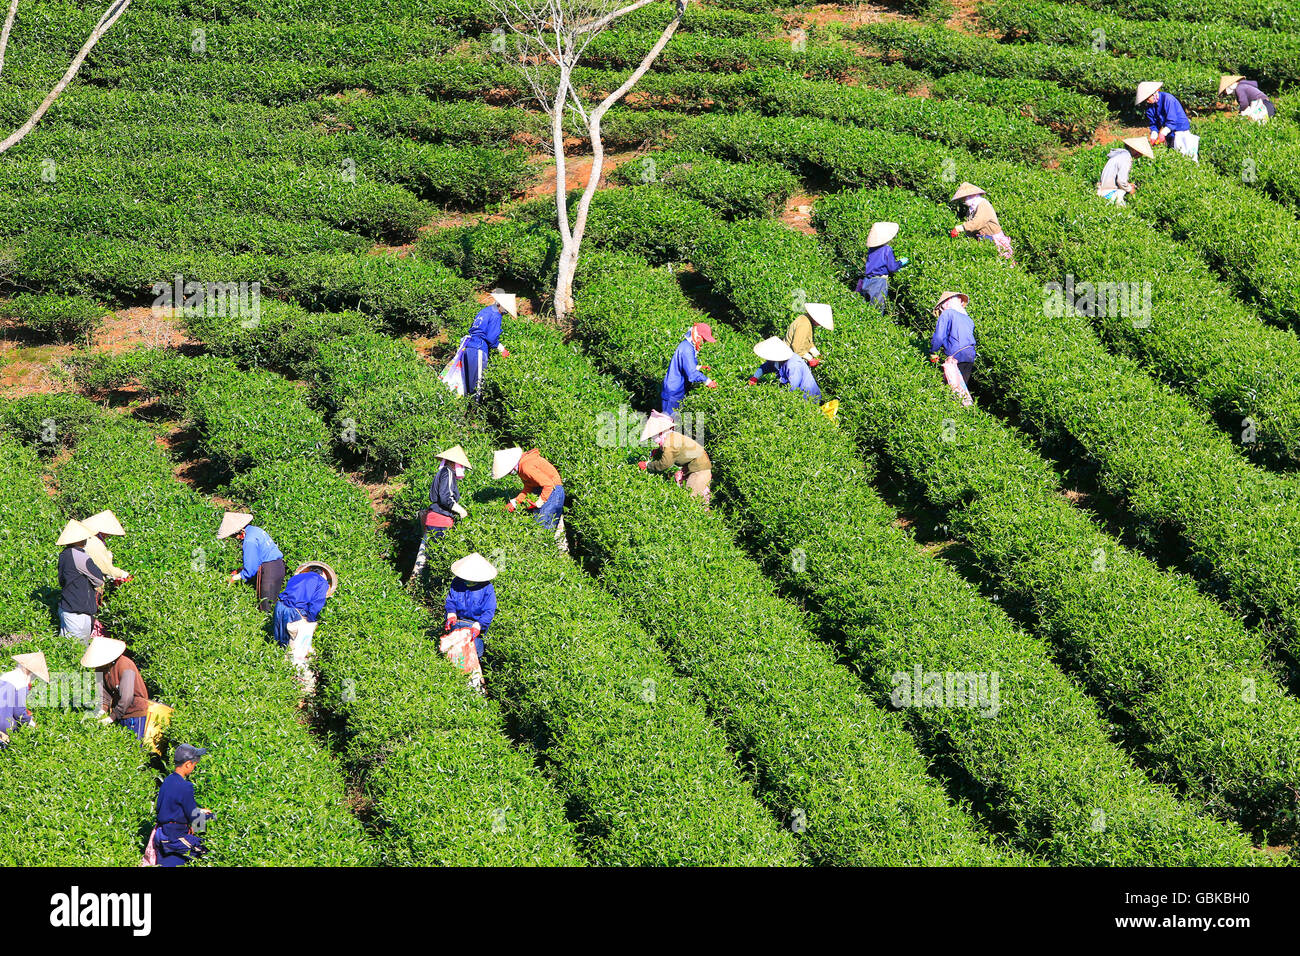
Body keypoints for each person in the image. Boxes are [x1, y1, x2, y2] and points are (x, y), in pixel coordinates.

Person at [412, 445, 471, 579]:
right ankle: (428, 583)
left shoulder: (442, 472)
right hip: (440, 520)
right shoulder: (447, 472)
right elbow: (446, 497)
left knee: (425, 553)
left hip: (434, 518)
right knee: (437, 555)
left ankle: (416, 582)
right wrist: (460, 510)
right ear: (453, 462)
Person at [494, 446, 568, 551]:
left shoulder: (526, 467)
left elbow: (548, 485)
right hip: (545, 490)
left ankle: (544, 555)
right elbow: (529, 486)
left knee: (542, 528)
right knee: (539, 526)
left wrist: (540, 502)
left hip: (553, 491)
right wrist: (515, 502)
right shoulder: (522, 467)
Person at [153, 743, 214, 867]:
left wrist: (199, 811)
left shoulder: (168, 780)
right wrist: (211, 816)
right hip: (176, 836)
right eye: (194, 765)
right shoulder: (186, 786)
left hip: (162, 833)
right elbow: (194, 817)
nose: (194, 768)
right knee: (208, 853)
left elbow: (164, 807)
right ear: (187, 764)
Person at [81, 636, 150, 741]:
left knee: (134, 746)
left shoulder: (125, 665)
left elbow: (127, 696)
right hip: (119, 712)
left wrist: (112, 717)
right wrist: (101, 711)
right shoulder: (100, 668)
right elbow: (103, 693)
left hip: (134, 712)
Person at [639, 412, 712, 507]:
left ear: (660, 433)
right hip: (693, 468)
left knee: (691, 501)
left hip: (699, 471)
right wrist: (658, 453)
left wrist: (648, 465)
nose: (653, 439)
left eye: (653, 436)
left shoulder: (670, 442)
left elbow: (665, 464)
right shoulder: (672, 437)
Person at [218, 512, 285, 614]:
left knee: (266, 607)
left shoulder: (249, 540)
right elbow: (257, 557)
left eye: (234, 536)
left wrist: (236, 577)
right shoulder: (256, 530)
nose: (235, 538)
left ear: (240, 532)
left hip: (269, 571)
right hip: (279, 566)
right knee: (272, 602)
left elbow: (250, 569)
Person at [57, 519, 103, 645]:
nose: (85, 539)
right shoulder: (80, 557)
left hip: (67, 608)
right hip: (77, 612)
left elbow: (61, 581)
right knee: (79, 650)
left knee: (67, 647)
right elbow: (99, 579)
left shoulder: (64, 555)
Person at [444, 553, 497, 662]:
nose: (467, 582)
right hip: (457, 623)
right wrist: (451, 613)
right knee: (452, 653)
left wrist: (479, 625)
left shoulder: (487, 588)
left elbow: (489, 611)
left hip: (475, 626)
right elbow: (451, 600)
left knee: (474, 655)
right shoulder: (457, 582)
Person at [463, 291, 516, 399]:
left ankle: (465, 411)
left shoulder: (485, 311)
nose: (505, 312)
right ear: (500, 305)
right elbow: (492, 338)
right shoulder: (496, 315)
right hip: (478, 349)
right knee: (477, 385)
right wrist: (502, 349)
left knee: (467, 383)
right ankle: (474, 413)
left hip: (469, 347)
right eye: (506, 310)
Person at [660, 322, 718, 419]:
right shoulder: (687, 348)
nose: (704, 342)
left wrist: (698, 367)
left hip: (677, 390)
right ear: (698, 336)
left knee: (672, 422)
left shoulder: (688, 346)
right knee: (667, 422)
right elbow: (692, 374)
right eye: (704, 340)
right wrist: (708, 381)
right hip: (673, 392)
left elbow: (685, 365)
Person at [950, 183, 1015, 262]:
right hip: (984, 239)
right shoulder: (971, 209)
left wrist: (961, 228)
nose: (964, 200)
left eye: (965, 198)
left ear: (973, 195)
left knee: (1003, 261)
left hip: (995, 238)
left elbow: (977, 222)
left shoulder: (983, 204)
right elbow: (971, 227)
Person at [271, 565, 332, 648]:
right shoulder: (322, 581)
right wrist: (311, 619)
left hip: (280, 606)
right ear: (323, 574)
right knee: (295, 645)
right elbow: (316, 603)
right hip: (295, 611)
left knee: (278, 643)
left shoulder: (297, 577)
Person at [856, 221, 909, 312]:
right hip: (878, 283)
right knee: (877, 310)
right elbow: (892, 268)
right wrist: (900, 263)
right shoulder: (887, 249)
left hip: (867, 281)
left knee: (866, 310)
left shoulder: (871, 249)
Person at [1137, 82, 1198, 160]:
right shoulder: (1150, 107)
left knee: (1183, 156)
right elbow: (1154, 123)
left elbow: (1172, 120)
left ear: (1153, 94)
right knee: (1172, 156)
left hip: (1180, 131)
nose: (1147, 101)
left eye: (1147, 99)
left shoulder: (1168, 99)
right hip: (1169, 133)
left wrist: (1162, 133)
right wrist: (1154, 135)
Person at [0, 653, 49, 749]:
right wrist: (30, 722)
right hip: (3, 726)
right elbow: (19, 712)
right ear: (28, 672)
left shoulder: (5, 676)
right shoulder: (21, 682)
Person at [749, 337, 822, 401]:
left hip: (808, 397)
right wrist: (755, 377)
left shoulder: (793, 365)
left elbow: (793, 387)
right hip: (796, 395)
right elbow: (765, 367)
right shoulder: (777, 360)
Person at [930, 291, 977, 390]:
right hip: (970, 356)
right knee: (962, 389)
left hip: (956, 355)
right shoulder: (969, 319)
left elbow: (939, 336)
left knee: (950, 388)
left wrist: (933, 352)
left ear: (946, 302)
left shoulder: (948, 313)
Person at [1097, 137, 1155, 206]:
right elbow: (1121, 181)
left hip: (1104, 190)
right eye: (1140, 152)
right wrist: (1130, 190)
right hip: (1110, 193)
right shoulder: (1125, 159)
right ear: (1134, 150)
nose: (1140, 155)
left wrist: (1128, 185)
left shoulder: (1120, 155)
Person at [81, 511, 131, 584]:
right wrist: (124, 575)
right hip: (86, 585)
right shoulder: (94, 542)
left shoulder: (88, 538)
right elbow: (105, 569)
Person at [783, 303, 834, 367]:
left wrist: (816, 354)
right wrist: (810, 359)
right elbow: (797, 348)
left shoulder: (807, 320)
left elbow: (809, 341)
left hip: (792, 358)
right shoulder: (804, 324)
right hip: (788, 360)